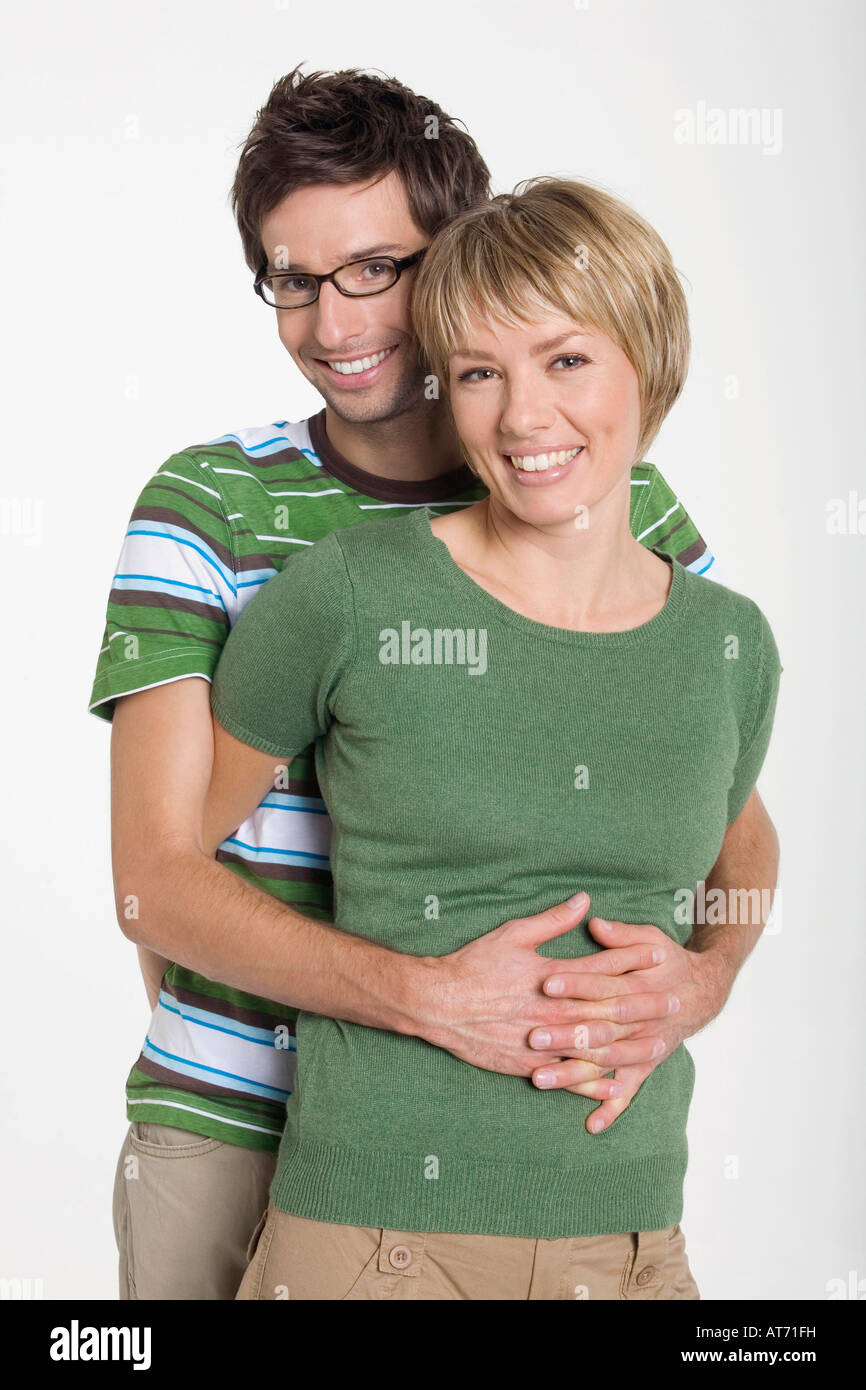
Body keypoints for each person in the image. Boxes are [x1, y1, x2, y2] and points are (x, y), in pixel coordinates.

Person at [90, 69, 779, 1300]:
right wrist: (420, 1001)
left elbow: (730, 825)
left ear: (455, 258)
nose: (335, 323)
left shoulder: (609, 501)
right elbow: (154, 879)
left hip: (534, 1155)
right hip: (239, 1115)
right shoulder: (212, 505)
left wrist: (697, 984)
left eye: (373, 268)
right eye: (292, 281)